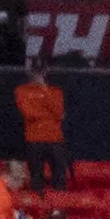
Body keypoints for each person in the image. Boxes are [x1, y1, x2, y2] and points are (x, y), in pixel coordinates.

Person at [15, 63, 67, 193]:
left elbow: (59, 112)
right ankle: (37, 203)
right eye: (34, 72)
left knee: (59, 175)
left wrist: (44, 90)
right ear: (30, 73)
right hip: (34, 138)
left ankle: (59, 205)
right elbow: (29, 114)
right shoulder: (21, 91)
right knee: (36, 175)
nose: (37, 76)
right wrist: (48, 115)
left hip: (55, 138)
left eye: (40, 73)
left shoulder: (55, 91)